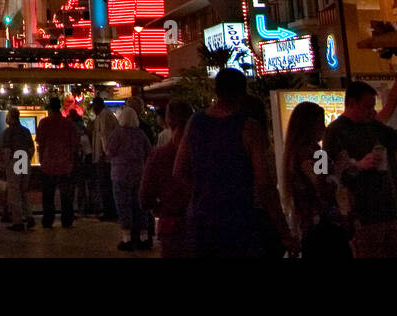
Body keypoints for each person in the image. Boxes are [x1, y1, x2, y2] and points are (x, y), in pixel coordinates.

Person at [176, 67, 295, 258]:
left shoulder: (195, 123)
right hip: (238, 221)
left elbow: (179, 170)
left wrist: (201, 194)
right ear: (242, 93)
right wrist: (284, 231)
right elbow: (264, 185)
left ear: (216, 91)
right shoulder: (249, 128)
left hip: (202, 221)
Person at [324, 80, 397, 259]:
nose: (372, 112)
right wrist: (358, 165)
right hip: (364, 215)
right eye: (367, 107)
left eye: (373, 107)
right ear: (351, 103)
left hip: (393, 211)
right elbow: (325, 171)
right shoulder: (334, 131)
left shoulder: (375, 127)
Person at [281, 100, 351, 259]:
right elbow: (323, 186)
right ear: (309, 126)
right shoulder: (315, 152)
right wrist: (339, 170)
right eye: (321, 123)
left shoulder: (293, 155)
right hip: (327, 228)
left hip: (309, 227)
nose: (324, 128)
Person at [140, 98, 192, 258]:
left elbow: (145, 197)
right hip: (203, 224)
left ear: (168, 120)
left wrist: (161, 207)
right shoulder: (207, 153)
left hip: (171, 225)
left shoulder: (160, 155)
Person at [106, 103, 151, 251]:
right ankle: (144, 237)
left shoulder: (117, 133)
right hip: (138, 173)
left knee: (123, 205)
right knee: (139, 206)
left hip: (120, 174)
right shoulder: (140, 133)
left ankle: (127, 238)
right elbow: (148, 151)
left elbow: (110, 151)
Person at [36, 96, 79, 229]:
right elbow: (74, 144)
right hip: (65, 164)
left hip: (48, 164)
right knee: (66, 195)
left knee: (48, 195)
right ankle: (67, 220)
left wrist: (42, 159)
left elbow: (40, 142)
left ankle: (48, 220)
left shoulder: (44, 123)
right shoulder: (68, 124)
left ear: (50, 108)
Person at [0, 107, 35, 231]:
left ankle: (17, 221)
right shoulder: (26, 131)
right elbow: (31, 149)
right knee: (23, 190)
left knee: (14, 192)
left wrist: (5, 164)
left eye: (7, 116)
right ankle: (29, 216)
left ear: (11, 117)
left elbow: (7, 150)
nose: (6, 118)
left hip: (15, 160)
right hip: (24, 159)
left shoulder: (8, 132)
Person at [91, 96, 119, 220]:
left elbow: (104, 136)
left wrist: (102, 154)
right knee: (106, 185)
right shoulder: (103, 115)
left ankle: (109, 212)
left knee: (106, 185)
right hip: (104, 156)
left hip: (105, 158)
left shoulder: (104, 116)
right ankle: (109, 211)